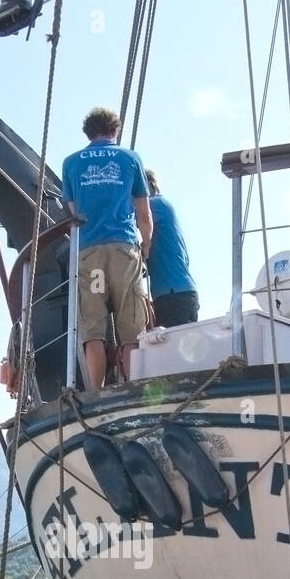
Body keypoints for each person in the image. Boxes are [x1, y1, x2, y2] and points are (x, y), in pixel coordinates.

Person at [61, 106, 153, 388]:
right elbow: (144, 215)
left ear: (88, 132)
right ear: (116, 130)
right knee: (131, 328)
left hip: (89, 252)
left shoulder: (71, 163)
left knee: (93, 329)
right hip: (123, 249)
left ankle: (95, 394)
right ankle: (133, 388)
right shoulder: (130, 158)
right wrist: (145, 248)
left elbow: (73, 212)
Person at [144, 170, 200, 328]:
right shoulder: (165, 207)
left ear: (150, 186)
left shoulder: (155, 205)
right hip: (179, 293)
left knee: (171, 350)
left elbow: (124, 218)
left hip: (172, 295)